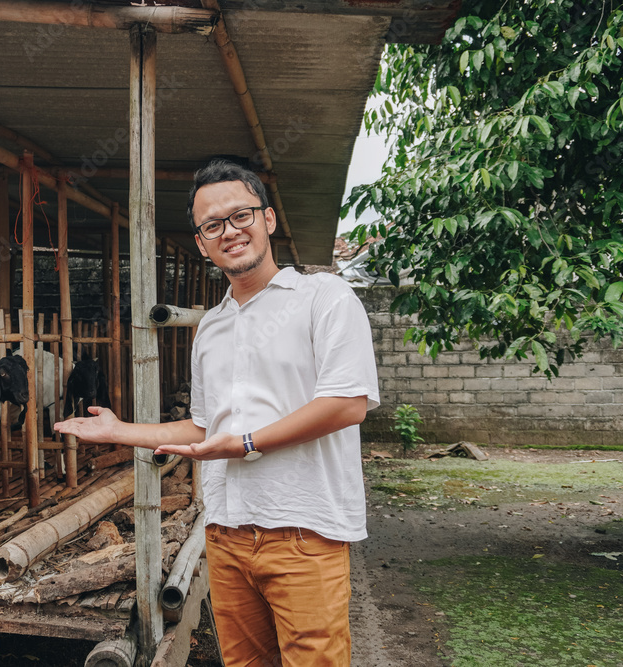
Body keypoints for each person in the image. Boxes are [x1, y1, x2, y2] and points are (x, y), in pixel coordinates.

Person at [54, 158, 379, 666]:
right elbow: (205, 426)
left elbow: (346, 404)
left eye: (240, 215)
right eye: (212, 225)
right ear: (202, 242)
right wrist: (121, 429)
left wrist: (248, 442)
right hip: (226, 532)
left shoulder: (325, 299)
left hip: (304, 532)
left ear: (267, 219)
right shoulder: (212, 326)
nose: (229, 232)